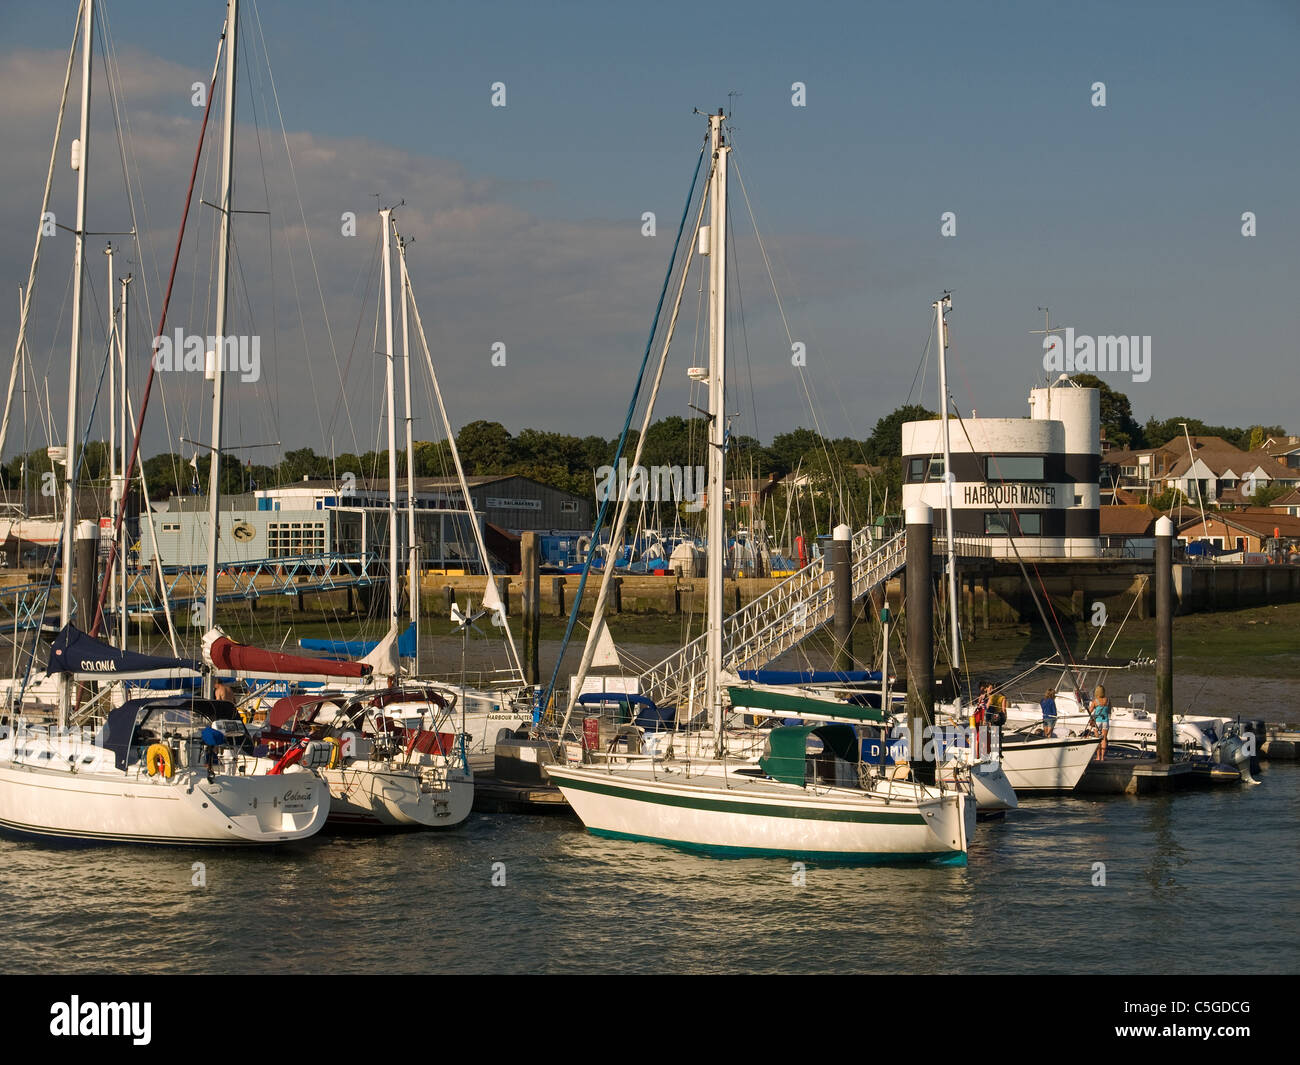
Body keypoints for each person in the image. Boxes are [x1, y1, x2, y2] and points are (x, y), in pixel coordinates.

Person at [1089, 685, 1111, 761]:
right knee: (1104, 739)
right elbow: (1109, 711)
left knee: (1097, 739)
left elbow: (1090, 711)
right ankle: (1102, 757)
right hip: (1105, 721)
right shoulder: (1107, 700)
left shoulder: (1095, 701)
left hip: (1097, 721)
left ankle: (1098, 756)